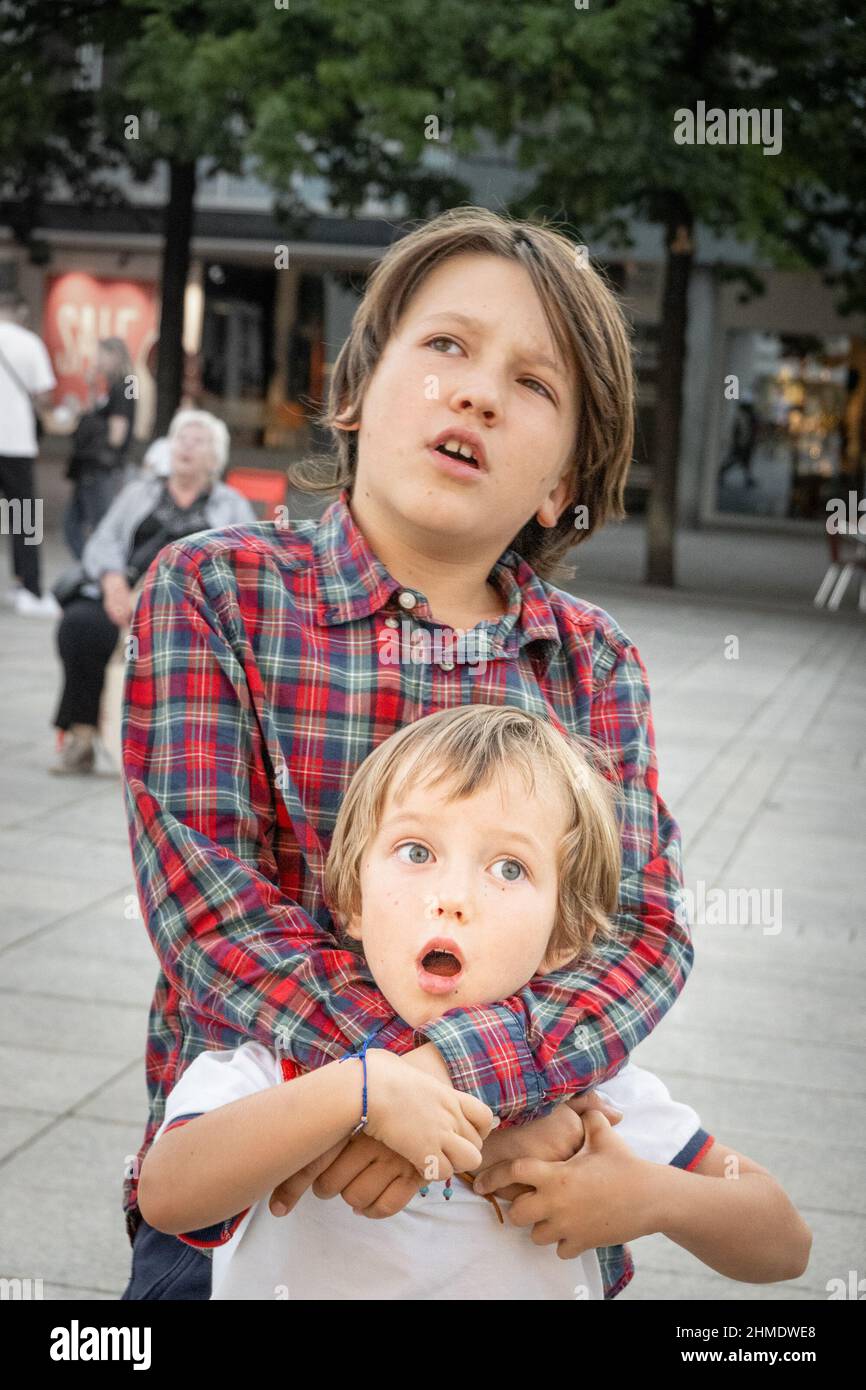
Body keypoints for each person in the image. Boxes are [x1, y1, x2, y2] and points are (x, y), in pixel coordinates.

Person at [120, 207, 694, 1300]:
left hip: (512, 1209)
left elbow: (638, 930)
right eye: (444, 346)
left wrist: (446, 1088)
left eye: (534, 383)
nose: (477, 390)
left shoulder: (592, 666)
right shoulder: (214, 593)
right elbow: (215, 912)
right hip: (260, 1174)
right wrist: (374, 1090)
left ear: (559, 484)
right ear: (352, 394)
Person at [136, 706, 810, 1300]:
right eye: (416, 850)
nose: (452, 895)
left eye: (509, 868)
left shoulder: (587, 1096)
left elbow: (784, 1242)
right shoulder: (281, 1071)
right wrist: (355, 1091)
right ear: (351, 901)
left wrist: (654, 1199)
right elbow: (168, 1196)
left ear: (565, 934)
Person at [50, 409, 256, 775]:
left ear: (215, 457)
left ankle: (189, 753)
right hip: (125, 597)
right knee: (80, 625)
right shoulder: (139, 491)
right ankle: (81, 734)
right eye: (181, 438)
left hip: (192, 610)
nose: (187, 446)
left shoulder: (231, 504)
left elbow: (245, 565)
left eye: (198, 440)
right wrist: (112, 581)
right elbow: (103, 542)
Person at [0, 289, 58, 616]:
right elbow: (44, 395)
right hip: (16, 443)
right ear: (20, 312)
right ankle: (29, 587)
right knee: (24, 518)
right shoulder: (29, 343)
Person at [63, 338, 138, 558]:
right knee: (78, 522)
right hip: (98, 465)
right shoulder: (120, 385)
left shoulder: (125, 384)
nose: (97, 361)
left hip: (102, 465)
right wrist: (92, 386)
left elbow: (117, 432)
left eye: (101, 355)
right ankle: (94, 569)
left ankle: (96, 571)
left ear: (114, 355)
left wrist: (88, 422)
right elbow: (102, 412)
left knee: (93, 524)